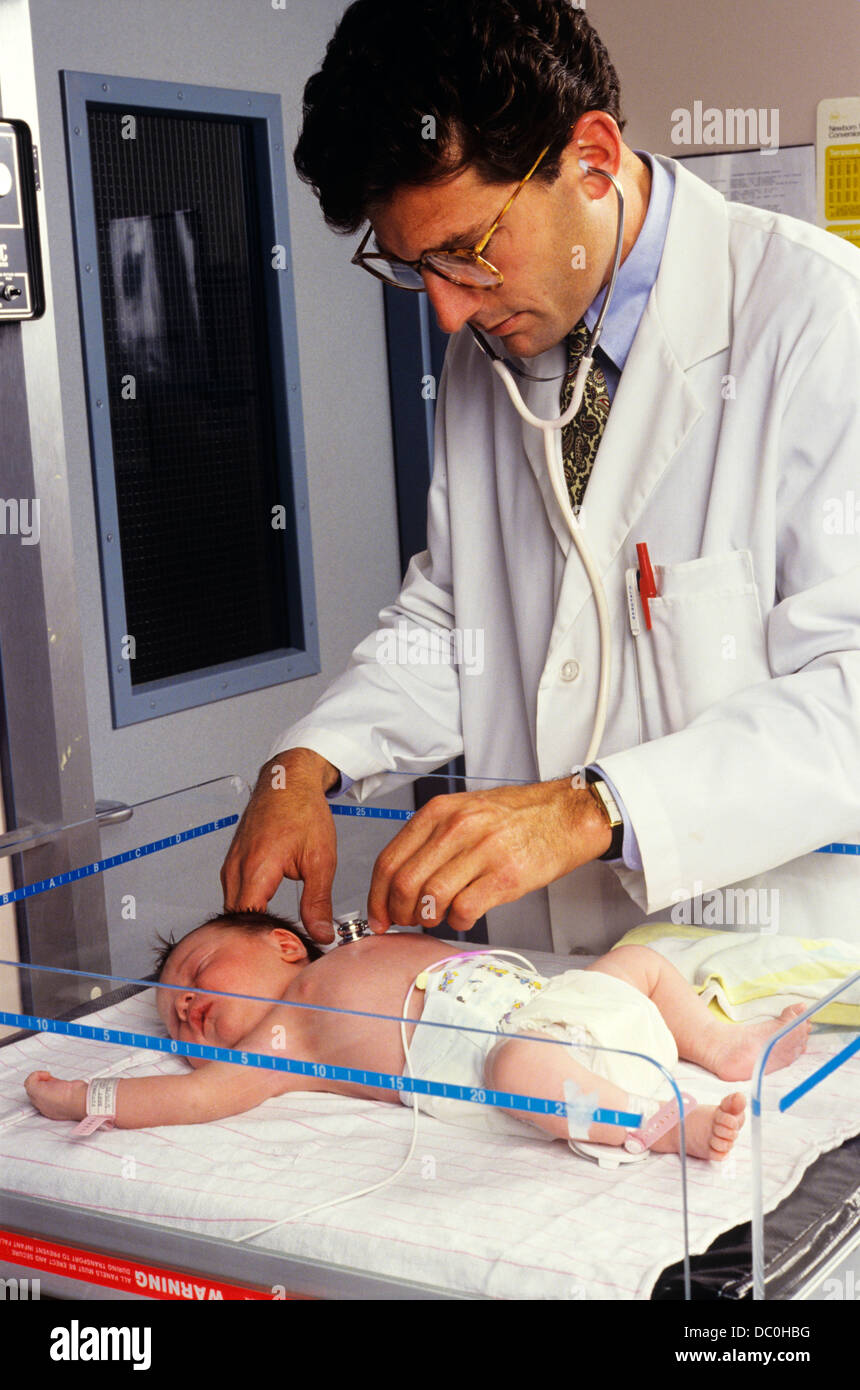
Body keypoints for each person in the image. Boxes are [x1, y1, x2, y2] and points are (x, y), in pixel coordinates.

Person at [221, 0, 860, 955]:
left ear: (592, 157)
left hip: (766, 987)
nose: (444, 313)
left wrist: (588, 808)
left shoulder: (817, 322)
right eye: (413, 267)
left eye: (468, 252)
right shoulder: (502, 336)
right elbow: (460, 613)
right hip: (546, 989)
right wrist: (310, 762)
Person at [24, 910, 810, 1161]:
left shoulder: (353, 948)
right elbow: (194, 1095)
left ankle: (719, 1044)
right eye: (173, 1015)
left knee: (639, 958)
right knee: (518, 1062)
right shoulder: (282, 1040)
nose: (184, 1005)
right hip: (522, 1067)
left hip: (563, 1005)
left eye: (195, 975)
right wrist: (84, 1096)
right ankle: (664, 1124)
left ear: (285, 943)